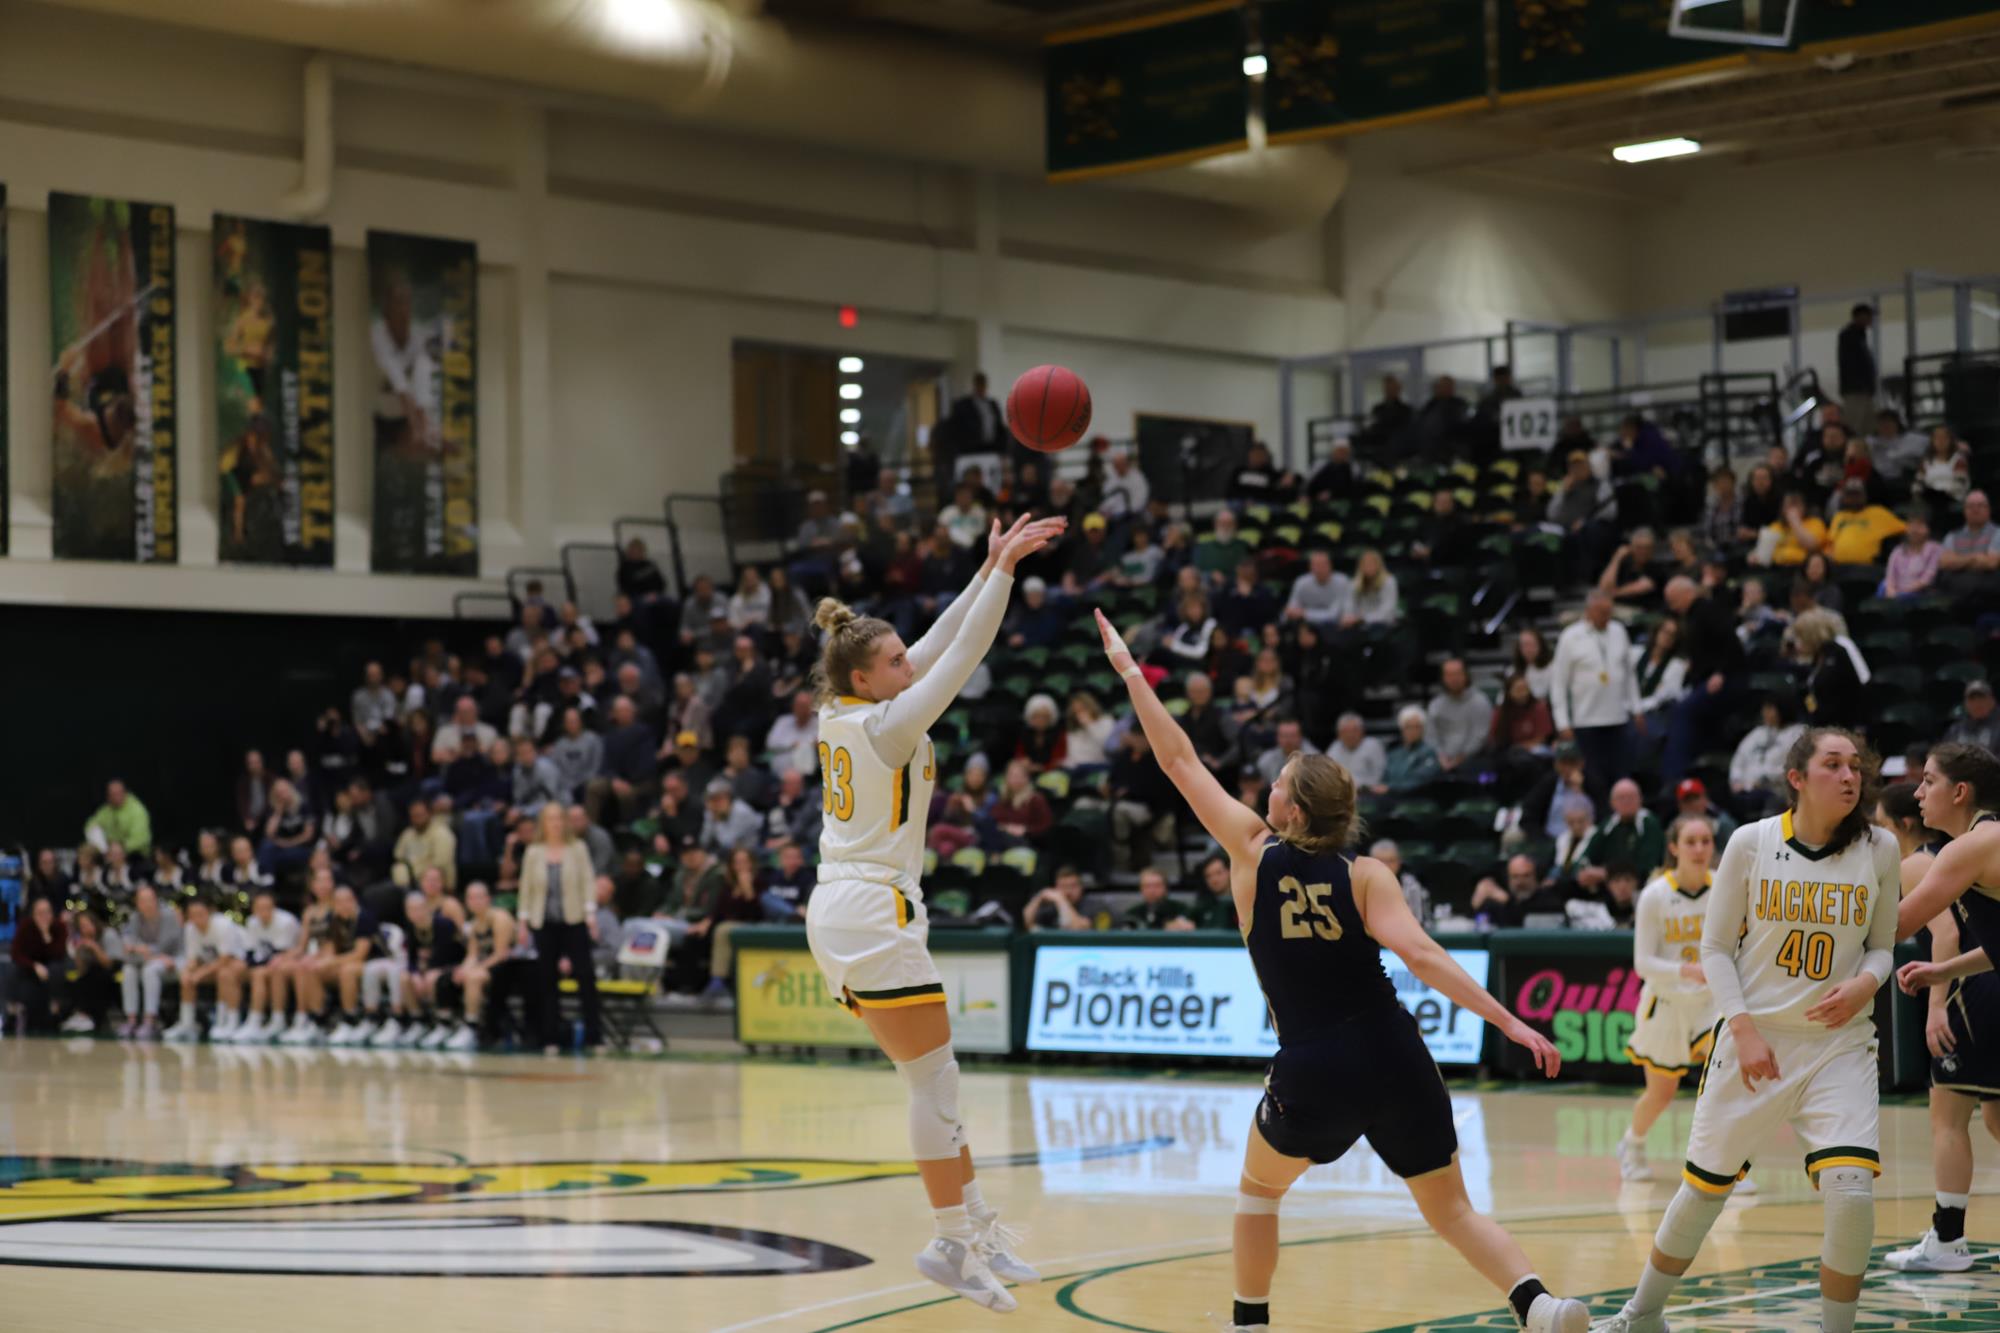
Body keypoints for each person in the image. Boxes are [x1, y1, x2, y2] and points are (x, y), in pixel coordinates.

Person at [1094, 607, 1589, 1333]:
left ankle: (1250, 1323)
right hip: (1394, 1050)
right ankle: (1539, 1305)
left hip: (1314, 1062)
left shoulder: (1250, 851)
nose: (1267, 788)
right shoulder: (1368, 873)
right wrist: (1510, 1021)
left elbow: (1177, 760)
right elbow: (1422, 955)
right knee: (1450, 1207)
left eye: (1277, 781)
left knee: (1258, 1192)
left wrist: (1132, 671)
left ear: (1290, 806)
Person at [804, 511, 1061, 1311]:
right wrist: (1010, 575)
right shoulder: (885, 725)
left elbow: (940, 635)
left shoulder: (850, 708)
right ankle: (951, 1239)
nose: (907, 664)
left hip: (852, 904)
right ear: (865, 680)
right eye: (893, 660)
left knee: (934, 1078)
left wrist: (986, 569)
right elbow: (966, 651)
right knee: (934, 1084)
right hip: (869, 907)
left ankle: (972, 1224)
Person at [1597, 728, 1898, 1333]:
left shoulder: (1881, 848)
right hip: (1753, 1039)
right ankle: (1641, 1313)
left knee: (1852, 1192)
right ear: (1797, 778)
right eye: (1832, 765)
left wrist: (1868, 982)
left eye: (1855, 768)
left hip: (1838, 1044)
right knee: (1705, 1190)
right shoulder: (1751, 843)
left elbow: (1883, 947)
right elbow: (1713, 948)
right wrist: (1743, 1028)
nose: (1849, 777)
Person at [1872, 781, 1998, 1273]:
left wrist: (1937, 1004)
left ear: (1902, 825)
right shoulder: (1958, 850)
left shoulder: (1916, 861)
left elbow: (1943, 932)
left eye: (1880, 823)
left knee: (1947, 1117)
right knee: (1994, 1119)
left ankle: (1947, 1241)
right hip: (1982, 972)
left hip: (1974, 992)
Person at [1616, 816, 1722, 1183]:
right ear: (1674, 847)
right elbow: (1642, 963)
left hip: (1711, 1004)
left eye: (1705, 841)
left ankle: (1727, 1166)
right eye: (1691, 841)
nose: (1699, 849)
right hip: (1668, 1001)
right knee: (1661, 1094)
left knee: (1725, 1082)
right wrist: (1686, 971)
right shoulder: (1655, 895)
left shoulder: (1723, 887)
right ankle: (1633, 1143)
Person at [517, 801, 601, 1053]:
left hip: (574, 920)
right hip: (544, 922)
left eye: (559, 818)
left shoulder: (578, 848)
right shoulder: (533, 852)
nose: (555, 822)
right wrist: (522, 921)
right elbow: (526, 888)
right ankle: (550, 1037)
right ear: (543, 822)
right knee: (547, 980)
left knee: (585, 978)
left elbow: (588, 881)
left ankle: (594, 1037)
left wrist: (590, 914)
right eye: (550, 818)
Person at [1549, 591, 1639, 803]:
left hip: (1618, 717)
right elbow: (1558, 683)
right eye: (1601, 612)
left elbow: (1629, 674)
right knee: (1593, 778)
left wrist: (1637, 708)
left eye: (1609, 612)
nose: (1606, 617)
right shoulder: (1570, 636)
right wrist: (1563, 722)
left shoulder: (1619, 631)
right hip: (1586, 721)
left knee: (1621, 775)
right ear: (1588, 611)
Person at [163, 897, 248, 1042]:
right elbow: (193, 959)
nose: (197, 918)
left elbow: (225, 959)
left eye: (200, 914)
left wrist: (200, 973)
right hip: (212, 965)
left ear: (208, 912)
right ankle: (187, 1023)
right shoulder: (190, 928)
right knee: (187, 978)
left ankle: (229, 1022)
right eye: (193, 915)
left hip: (240, 962)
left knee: (224, 974)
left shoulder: (223, 925)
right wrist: (187, 972)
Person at [225, 888, 301, 1043]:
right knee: (229, 971)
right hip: (267, 962)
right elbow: (251, 953)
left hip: (291, 960)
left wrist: (254, 964)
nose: (264, 911)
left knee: (261, 973)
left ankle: (261, 1021)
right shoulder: (252, 922)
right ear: (254, 908)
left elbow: (279, 954)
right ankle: (230, 1020)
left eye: (268, 908)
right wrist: (243, 964)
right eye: (260, 908)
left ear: (274, 907)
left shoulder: (285, 922)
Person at [117, 884, 182, 1040]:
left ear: (156, 900)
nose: (146, 904)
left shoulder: (169, 916)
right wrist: (141, 950)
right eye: (142, 900)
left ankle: (149, 1021)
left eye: (149, 899)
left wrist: (145, 950)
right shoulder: (134, 918)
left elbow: (166, 948)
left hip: (173, 960)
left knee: (149, 970)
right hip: (148, 960)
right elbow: (128, 947)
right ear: (137, 903)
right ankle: (131, 1020)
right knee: (128, 970)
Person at [1826, 477, 1905, 566]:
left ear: (1864, 495)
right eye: (1850, 494)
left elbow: (1907, 529)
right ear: (1844, 497)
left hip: (1867, 569)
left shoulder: (1878, 512)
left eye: (1857, 494)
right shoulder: (1838, 516)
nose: (1853, 498)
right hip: (1839, 568)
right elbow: (1830, 542)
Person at [84, 778, 152, 858]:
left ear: (125, 793)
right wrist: (104, 847)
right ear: (108, 796)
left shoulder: (137, 810)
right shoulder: (107, 810)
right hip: (110, 853)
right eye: (112, 794)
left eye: (119, 793)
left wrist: (120, 848)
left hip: (134, 855)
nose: (116, 797)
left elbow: (140, 839)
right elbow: (90, 825)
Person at [1882, 509, 1940, 599]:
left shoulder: (1935, 549)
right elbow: (1890, 576)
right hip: (1894, 593)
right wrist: (1891, 591)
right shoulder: (1898, 550)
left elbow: (1927, 579)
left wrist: (1901, 593)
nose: (1915, 530)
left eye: (1919, 525)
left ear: (1928, 529)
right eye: (1911, 525)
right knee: (1882, 587)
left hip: (1919, 594)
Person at [1838, 303, 1876, 427]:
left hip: (1861, 389)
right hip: (1855, 389)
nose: (1871, 320)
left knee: (1867, 424)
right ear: (1860, 316)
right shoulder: (1849, 336)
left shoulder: (1858, 336)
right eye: (1868, 316)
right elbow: (1851, 365)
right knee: (1855, 425)